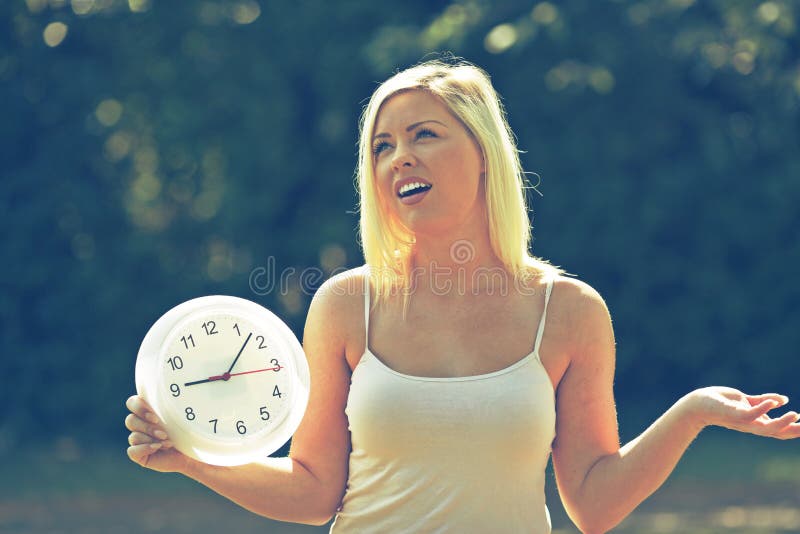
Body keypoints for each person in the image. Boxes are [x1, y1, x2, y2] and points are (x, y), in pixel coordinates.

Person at [125, 59, 800, 533]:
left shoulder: (568, 311)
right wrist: (191, 459)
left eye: (423, 134)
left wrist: (694, 412)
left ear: (483, 154)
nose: (399, 158)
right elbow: (312, 492)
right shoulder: (344, 305)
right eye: (382, 146)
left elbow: (594, 506)